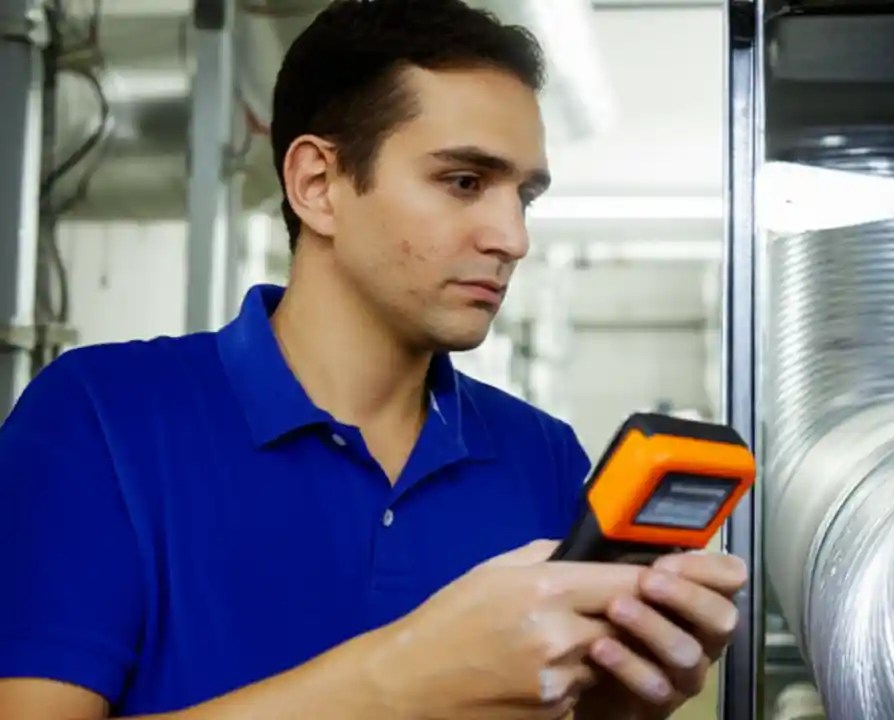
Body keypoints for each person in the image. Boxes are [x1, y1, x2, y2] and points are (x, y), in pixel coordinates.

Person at [0, 1, 747, 718]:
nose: (512, 237)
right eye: (464, 182)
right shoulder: (100, 419)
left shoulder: (541, 456)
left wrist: (613, 707)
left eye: (525, 196)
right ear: (318, 186)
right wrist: (399, 683)